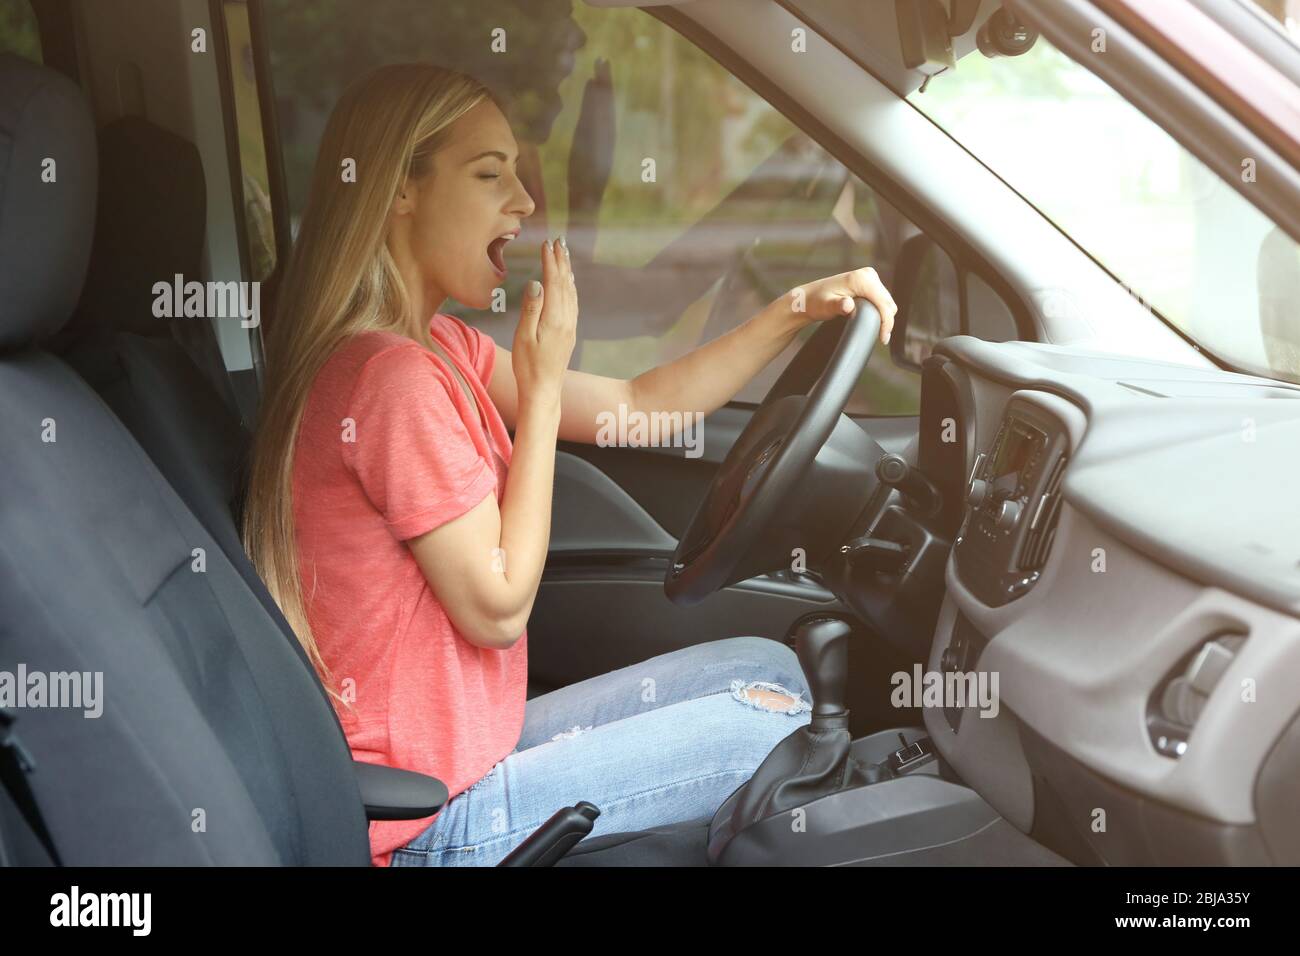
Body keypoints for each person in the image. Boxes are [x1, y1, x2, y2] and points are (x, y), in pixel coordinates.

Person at [241, 63, 896, 867]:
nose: (524, 202)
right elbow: (499, 607)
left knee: (769, 668)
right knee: (768, 722)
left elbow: (641, 403)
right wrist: (543, 388)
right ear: (399, 191)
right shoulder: (388, 378)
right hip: (424, 820)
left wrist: (796, 308)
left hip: (472, 752)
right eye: (491, 175)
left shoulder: (437, 346)